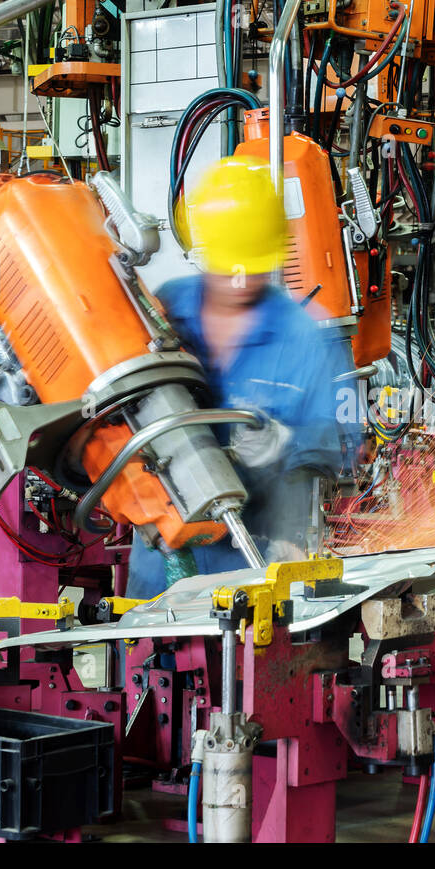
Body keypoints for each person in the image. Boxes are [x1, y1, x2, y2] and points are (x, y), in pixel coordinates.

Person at [125, 157, 354, 598]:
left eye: (251, 267)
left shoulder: (304, 336)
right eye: (231, 266)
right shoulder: (165, 312)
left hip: (257, 571)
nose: (239, 280)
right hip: (160, 576)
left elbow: (339, 442)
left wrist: (287, 441)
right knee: (148, 667)